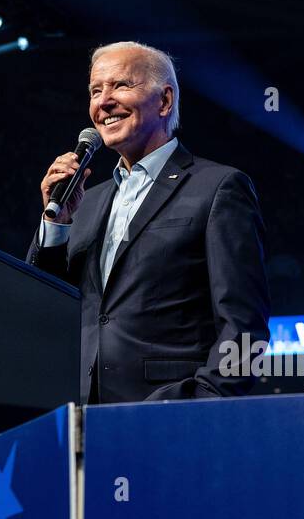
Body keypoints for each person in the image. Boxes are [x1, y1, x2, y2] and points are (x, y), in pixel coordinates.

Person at [27, 40, 270, 404]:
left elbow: (244, 328)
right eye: (95, 90)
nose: (103, 101)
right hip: (76, 420)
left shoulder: (218, 188)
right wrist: (56, 226)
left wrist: (201, 403)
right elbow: (43, 309)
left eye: (121, 85)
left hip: (169, 422)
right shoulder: (84, 202)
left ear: (164, 101)